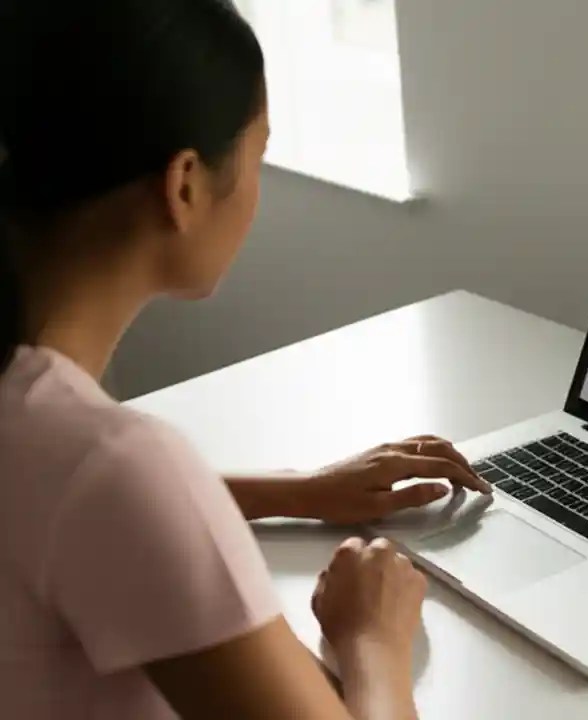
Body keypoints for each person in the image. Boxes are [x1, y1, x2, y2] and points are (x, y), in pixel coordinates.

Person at [0, 2, 491, 718]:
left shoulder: (42, 423)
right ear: (185, 186)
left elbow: (77, 507)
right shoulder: (108, 465)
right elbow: (108, 494)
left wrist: (299, 492)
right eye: (258, 153)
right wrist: (373, 636)